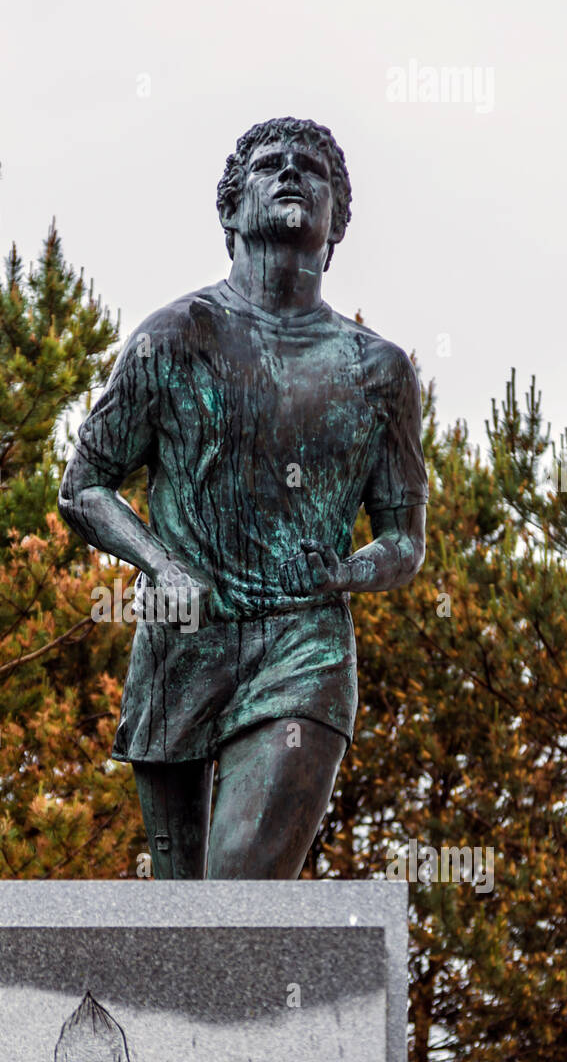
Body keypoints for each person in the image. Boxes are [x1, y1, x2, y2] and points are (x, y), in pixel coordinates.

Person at [59, 116, 427, 879]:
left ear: (336, 222)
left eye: (313, 170)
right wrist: (160, 566)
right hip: (183, 644)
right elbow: (83, 485)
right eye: (270, 164)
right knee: (178, 916)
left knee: (239, 898)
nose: (292, 172)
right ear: (230, 211)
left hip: (305, 644)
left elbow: (405, 541)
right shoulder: (174, 338)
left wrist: (347, 572)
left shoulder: (377, 370)